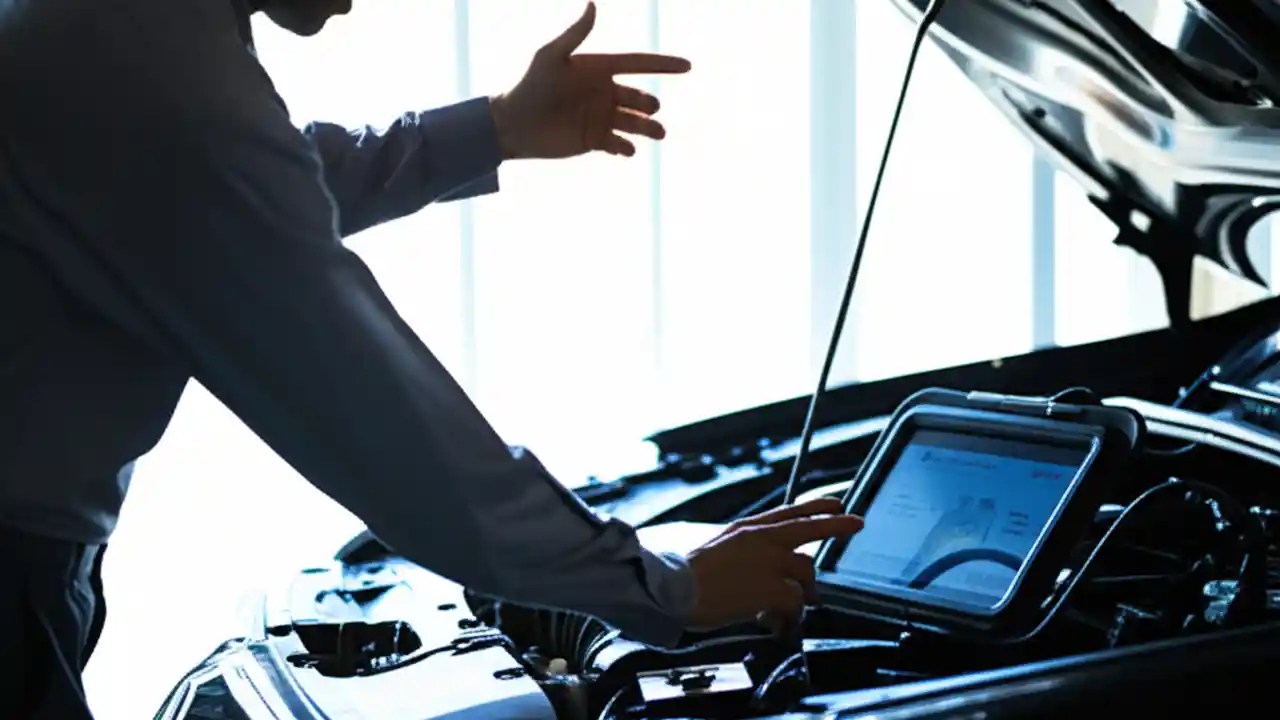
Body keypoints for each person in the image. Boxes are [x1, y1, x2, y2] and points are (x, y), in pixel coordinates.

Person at [0, 0, 866, 716]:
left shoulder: (115, 29)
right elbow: (375, 412)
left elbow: (242, 197)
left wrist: (492, 128)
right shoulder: (146, 64)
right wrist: (662, 589)